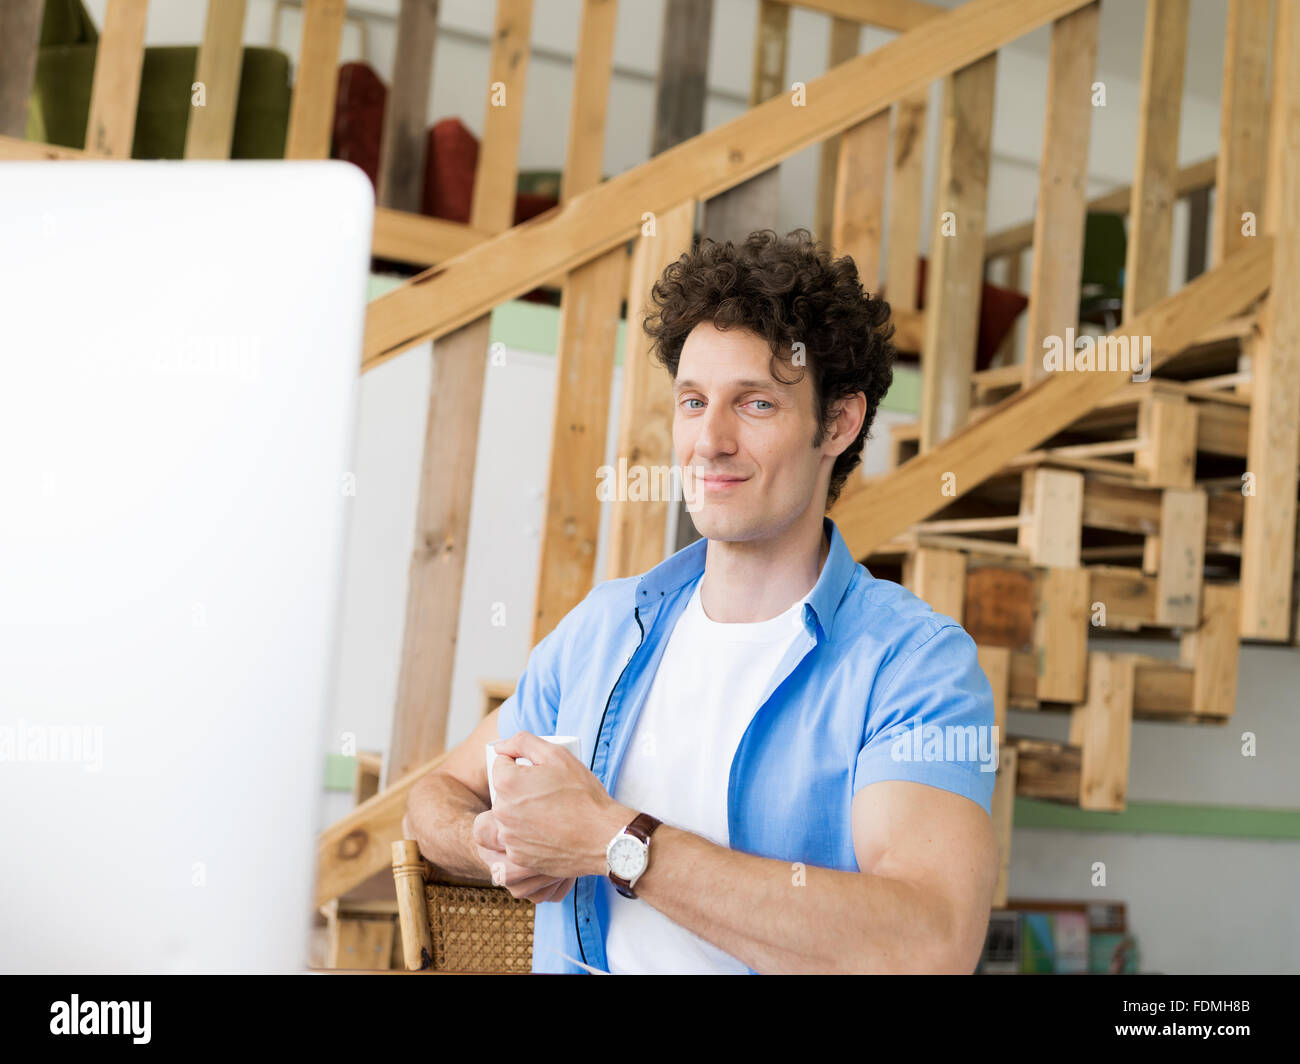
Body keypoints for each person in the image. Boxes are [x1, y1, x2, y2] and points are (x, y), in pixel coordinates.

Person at [403, 229, 999, 974]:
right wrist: (496, 842)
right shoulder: (606, 628)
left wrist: (616, 842)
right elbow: (436, 798)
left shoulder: (914, 666)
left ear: (839, 423)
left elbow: (926, 943)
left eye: (753, 404)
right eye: (693, 401)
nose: (708, 442)